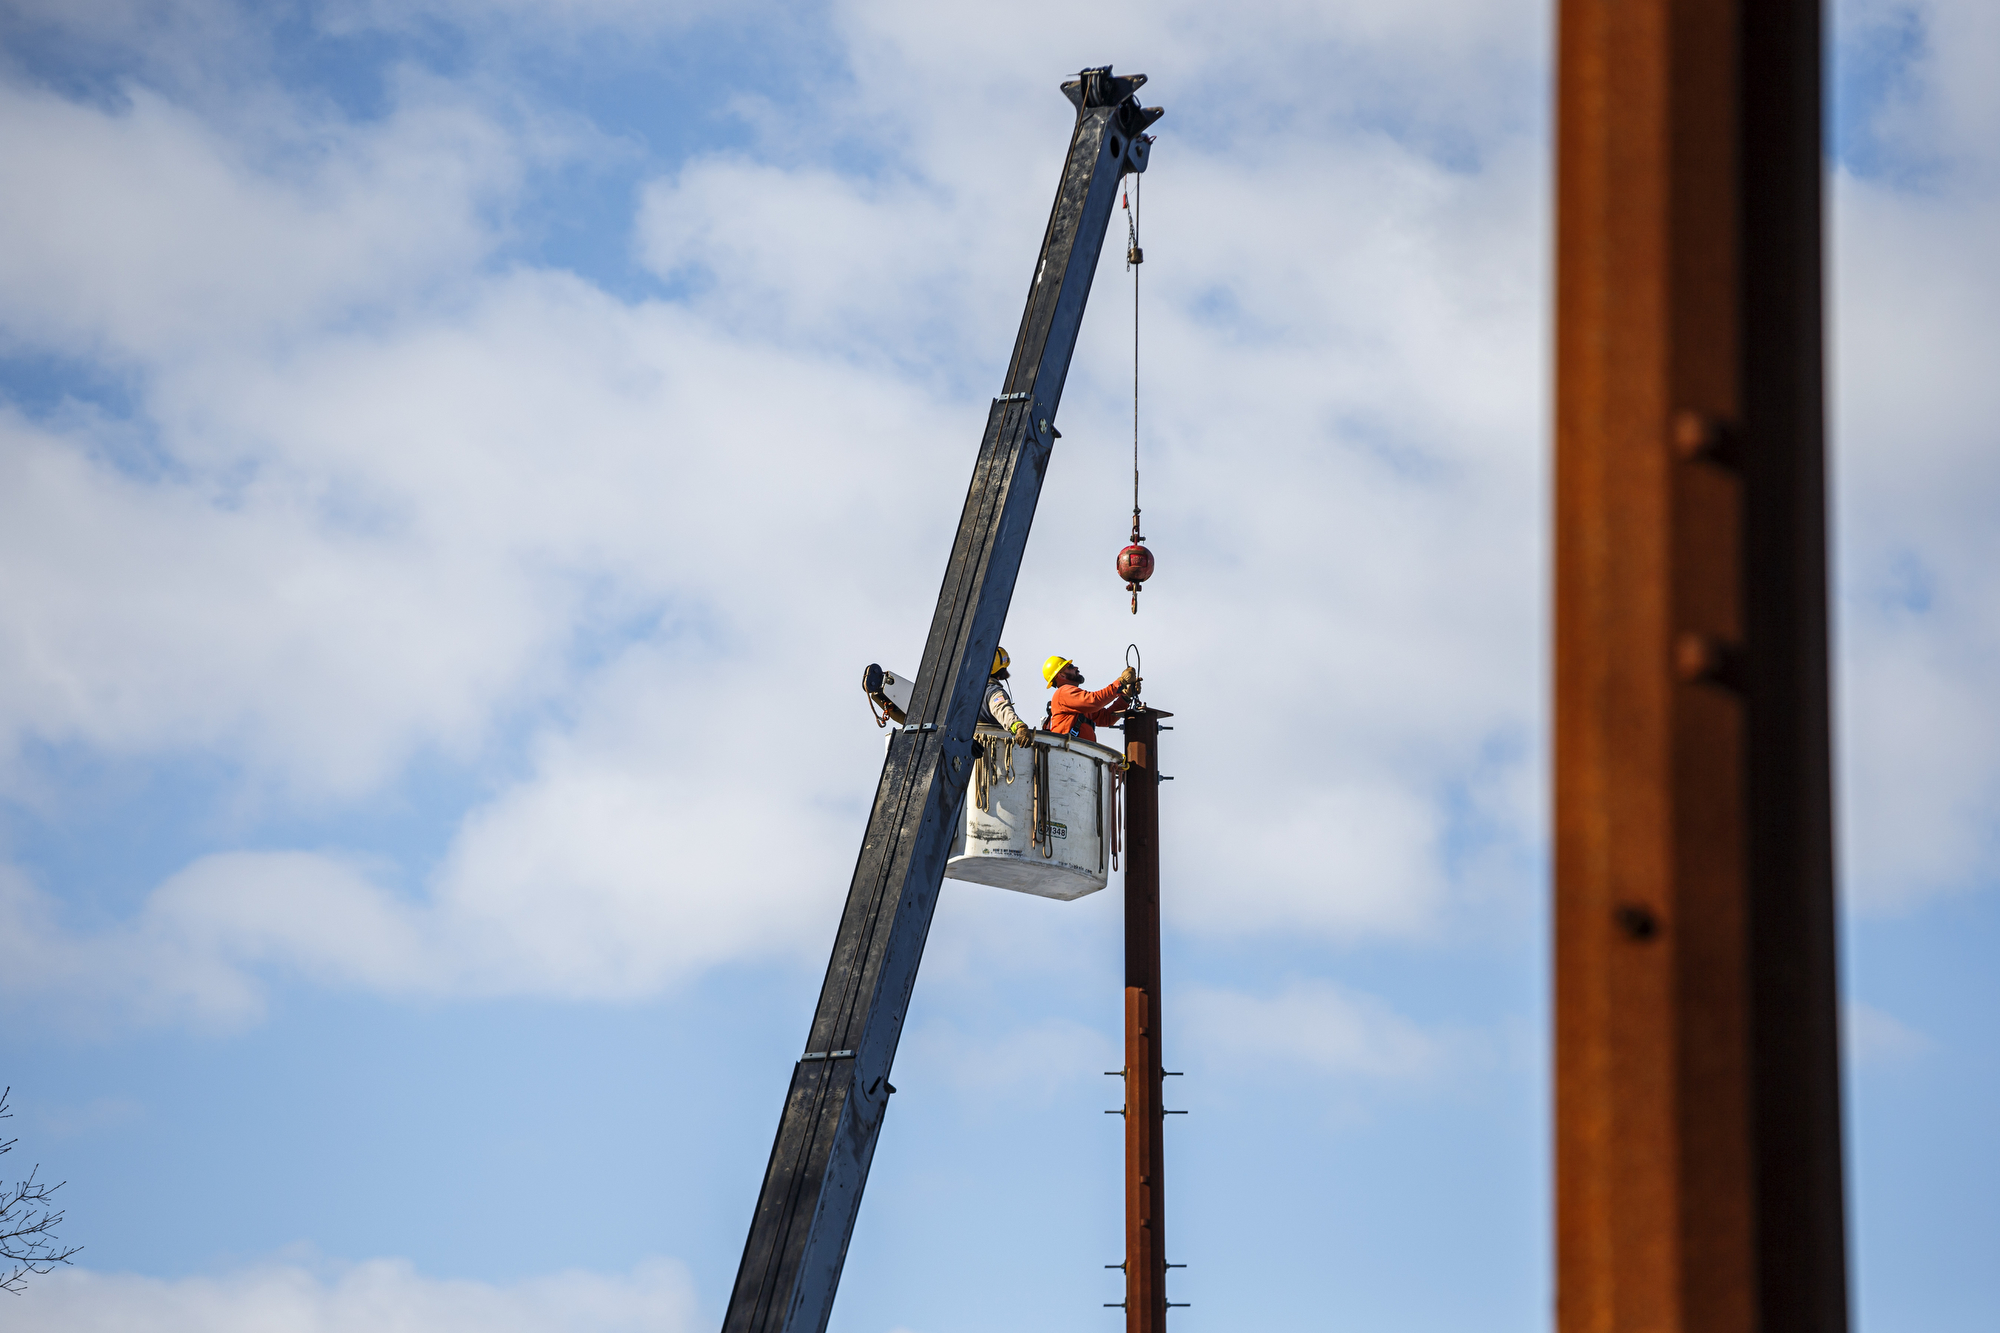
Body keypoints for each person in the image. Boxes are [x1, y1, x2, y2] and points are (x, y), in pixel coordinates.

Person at [1040, 655, 1138, 744]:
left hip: (1079, 753)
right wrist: (1121, 682)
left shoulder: (1075, 701)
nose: (1076, 668)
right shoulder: (1063, 692)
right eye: (1070, 667)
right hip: (1069, 752)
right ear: (1061, 675)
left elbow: (1106, 718)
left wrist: (1125, 696)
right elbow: (1094, 701)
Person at [982, 647, 1032, 743]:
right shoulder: (994, 692)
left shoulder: (965, 691)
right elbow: (1002, 708)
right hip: (989, 748)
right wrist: (1018, 725)